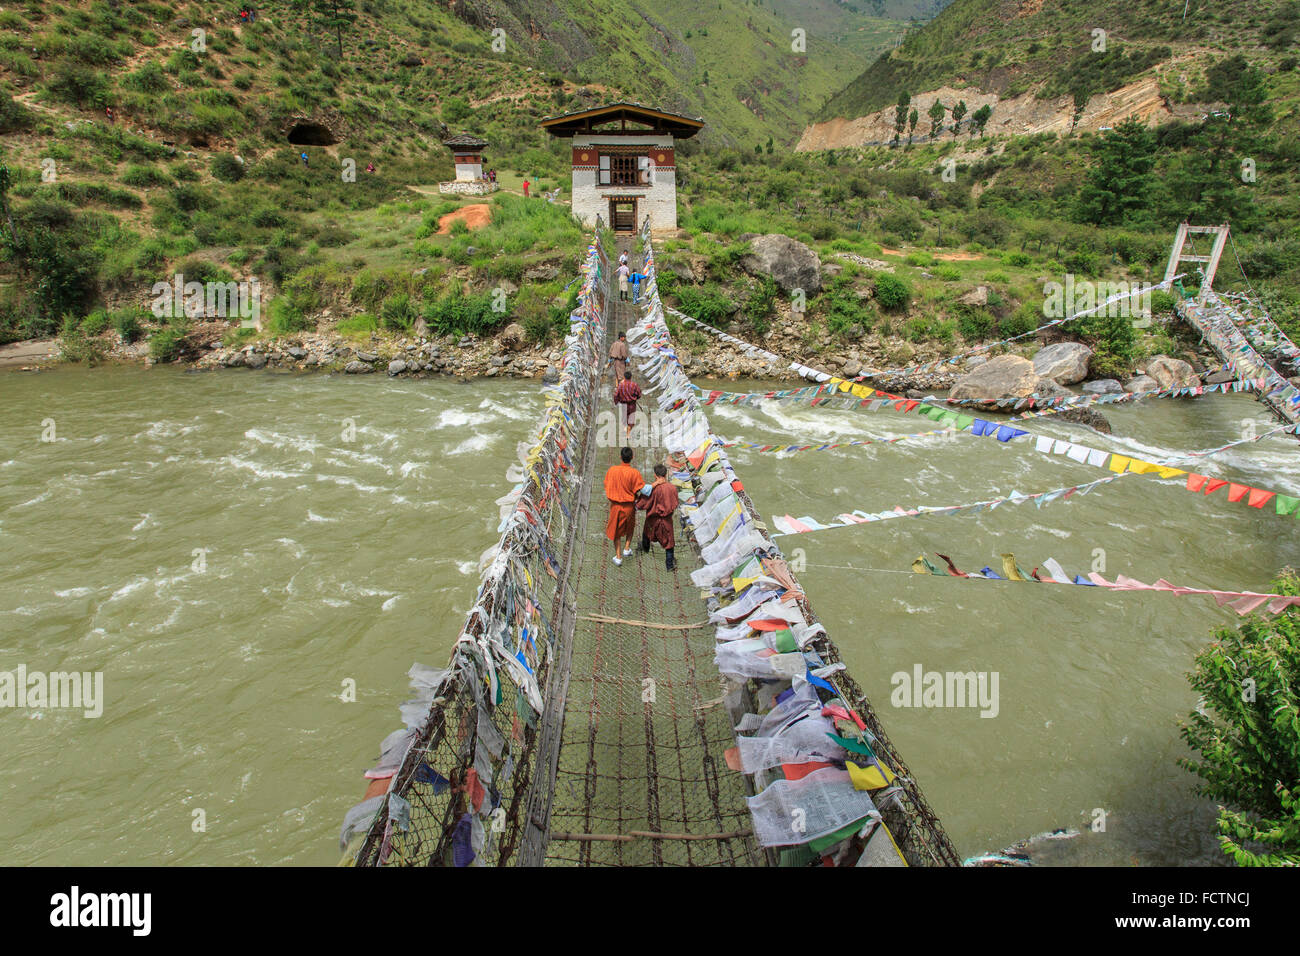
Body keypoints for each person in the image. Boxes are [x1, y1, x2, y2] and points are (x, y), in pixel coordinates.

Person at [604, 447, 643, 565]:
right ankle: (627, 548)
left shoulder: (612, 470)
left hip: (615, 506)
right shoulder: (635, 473)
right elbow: (640, 488)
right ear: (632, 458)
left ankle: (618, 556)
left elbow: (606, 484)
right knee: (630, 527)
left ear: (620, 457)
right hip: (629, 506)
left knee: (616, 531)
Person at [637, 464, 680, 571]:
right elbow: (675, 504)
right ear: (665, 474)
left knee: (646, 533)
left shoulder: (653, 489)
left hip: (652, 520)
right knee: (669, 543)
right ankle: (669, 565)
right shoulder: (672, 488)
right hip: (667, 521)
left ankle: (645, 549)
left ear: (655, 476)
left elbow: (642, 504)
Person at [614, 370, 641, 441]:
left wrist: (616, 402)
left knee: (624, 417)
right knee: (631, 418)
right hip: (632, 404)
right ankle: (628, 434)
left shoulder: (621, 385)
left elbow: (616, 395)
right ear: (631, 377)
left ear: (624, 377)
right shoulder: (634, 385)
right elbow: (639, 393)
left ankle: (625, 429)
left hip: (623, 404)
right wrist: (636, 398)